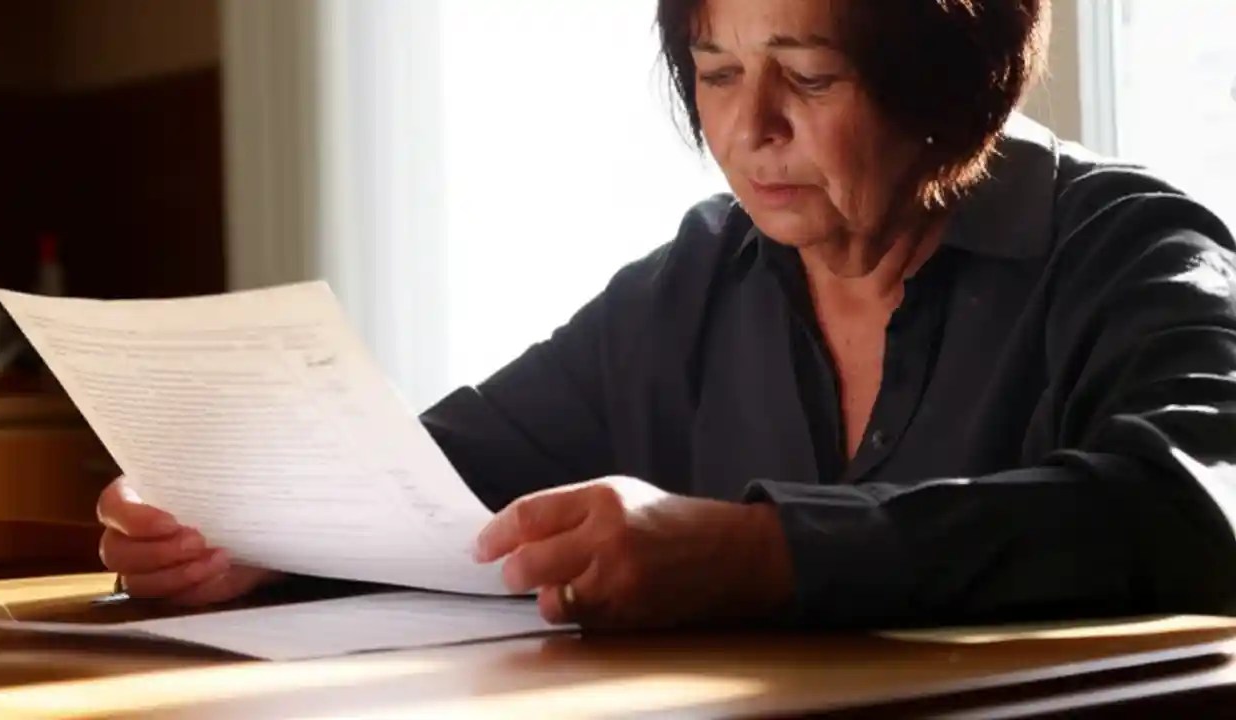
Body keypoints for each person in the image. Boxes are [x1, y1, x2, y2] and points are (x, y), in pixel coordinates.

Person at [95, 0, 1236, 629]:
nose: (751, 129)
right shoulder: (700, 276)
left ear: (953, 82)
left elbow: (1187, 503)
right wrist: (239, 526)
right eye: (716, 71)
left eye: (810, 73)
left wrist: (760, 553)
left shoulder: (1128, 247)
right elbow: (440, 481)